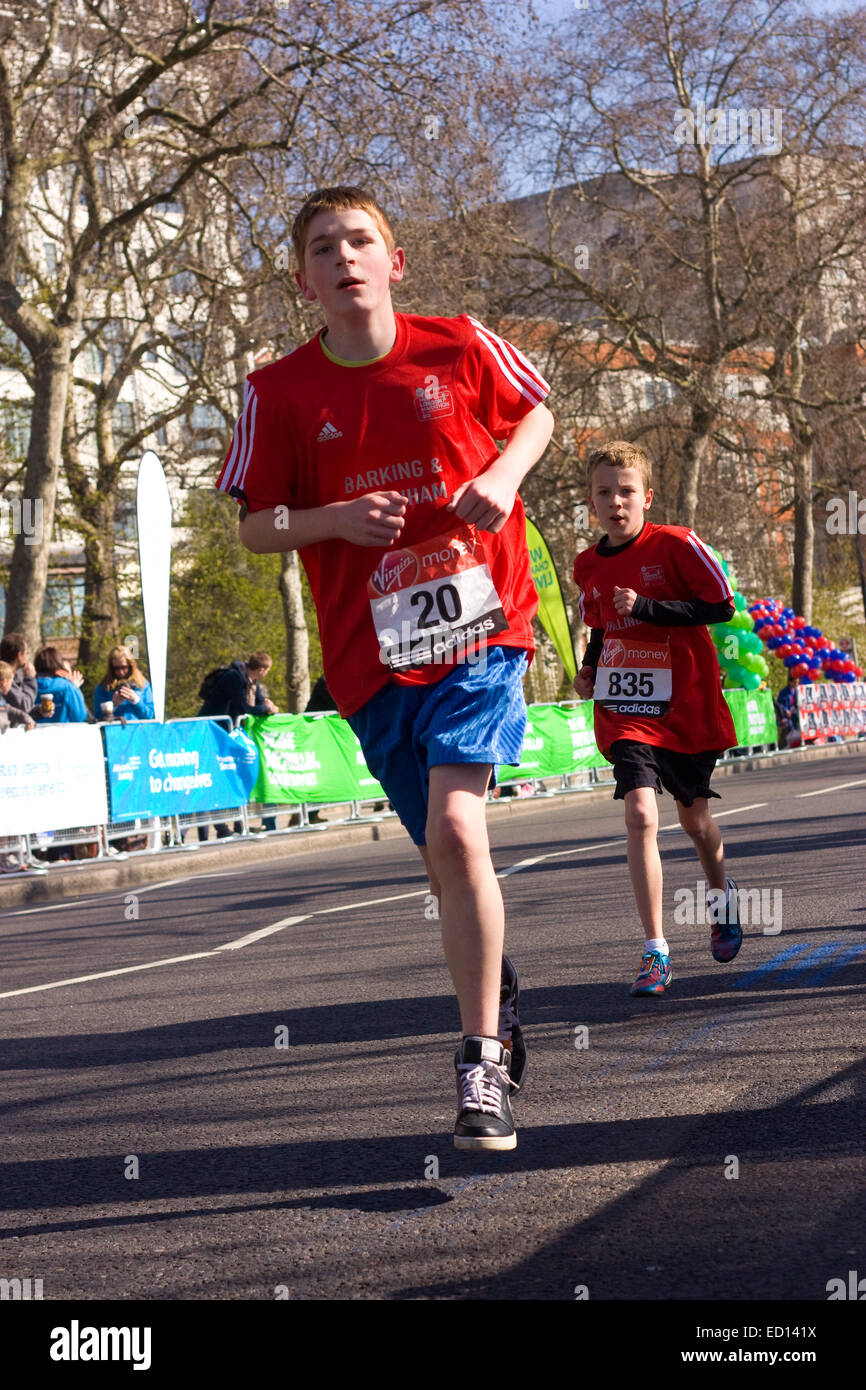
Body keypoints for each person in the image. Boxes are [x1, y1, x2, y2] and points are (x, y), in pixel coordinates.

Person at [220, 185, 554, 1151]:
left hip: (482, 634)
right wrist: (329, 520)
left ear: (394, 261)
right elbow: (253, 526)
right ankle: (499, 988)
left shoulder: (457, 343)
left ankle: (480, 1060)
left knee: (457, 829)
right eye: (325, 247)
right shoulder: (276, 392)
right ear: (303, 279)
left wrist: (500, 477)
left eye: (363, 240)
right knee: (446, 859)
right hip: (374, 665)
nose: (346, 257)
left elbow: (534, 411)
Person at [572, 440, 742, 997]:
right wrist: (590, 668)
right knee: (641, 815)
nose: (615, 502)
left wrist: (646, 608)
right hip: (626, 709)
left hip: (685, 703)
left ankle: (720, 899)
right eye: (604, 492)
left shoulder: (675, 544)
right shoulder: (587, 565)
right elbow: (601, 625)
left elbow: (721, 606)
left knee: (694, 822)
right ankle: (655, 950)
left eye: (626, 491)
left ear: (646, 496)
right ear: (591, 501)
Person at [93, 645, 155, 720]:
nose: (120, 672)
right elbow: (98, 716)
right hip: (114, 730)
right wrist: (113, 706)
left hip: (139, 730)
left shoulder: (143, 685)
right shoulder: (104, 688)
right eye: (116, 668)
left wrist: (136, 701)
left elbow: (150, 715)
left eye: (124, 667)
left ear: (131, 665)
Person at [33, 647, 89, 722]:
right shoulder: (68, 687)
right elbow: (80, 717)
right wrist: (76, 688)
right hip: (63, 732)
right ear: (58, 663)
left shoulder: (28, 686)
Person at [0, 633, 37, 718]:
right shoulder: (4, 677)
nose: (27, 656)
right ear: (19, 655)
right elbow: (24, 706)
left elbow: (18, 712)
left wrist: (39, 711)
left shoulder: (19, 674)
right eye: (26, 653)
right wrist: (30, 679)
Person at [0, 660, 36, 731]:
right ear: (3, 683)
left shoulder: (1, 702)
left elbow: (11, 711)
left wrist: (27, 719)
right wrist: (4, 725)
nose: (11, 685)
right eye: (11, 681)